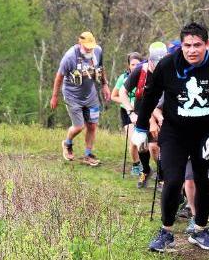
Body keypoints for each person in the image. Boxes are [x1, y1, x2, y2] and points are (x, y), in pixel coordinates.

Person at [132, 22, 209, 252]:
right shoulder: (167, 65)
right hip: (174, 132)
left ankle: (200, 230)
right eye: (187, 45)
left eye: (197, 45)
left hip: (206, 133)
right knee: (172, 180)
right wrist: (141, 127)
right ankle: (166, 232)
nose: (192, 50)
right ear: (181, 46)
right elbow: (150, 96)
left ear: (207, 44)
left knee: (203, 181)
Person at [50, 31, 112, 166]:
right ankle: (67, 143)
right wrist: (55, 96)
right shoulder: (70, 57)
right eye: (86, 47)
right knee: (79, 127)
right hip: (72, 96)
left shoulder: (98, 51)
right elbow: (59, 77)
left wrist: (105, 85)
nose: (89, 49)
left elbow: (101, 69)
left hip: (90, 94)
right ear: (80, 44)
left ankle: (88, 154)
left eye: (91, 46)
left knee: (92, 125)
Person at [125, 42, 168, 188]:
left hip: (160, 113)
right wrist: (130, 111)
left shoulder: (170, 71)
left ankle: (162, 176)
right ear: (150, 60)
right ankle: (146, 170)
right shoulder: (140, 71)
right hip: (140, 113)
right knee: (141, 146)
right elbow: (122, 93)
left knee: (155, 147)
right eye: (157, 64)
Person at [112, 52, 144, 179]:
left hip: (141, 111)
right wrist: (127, 102)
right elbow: (113, 96)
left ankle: (143, 164)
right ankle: (136, 164)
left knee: (142, 140)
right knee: (133, 140)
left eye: (138, 64)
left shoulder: (145, 76)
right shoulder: (123, 78)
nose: (135, 67)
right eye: (132, 64)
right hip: (126, 111)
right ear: (128, 65)